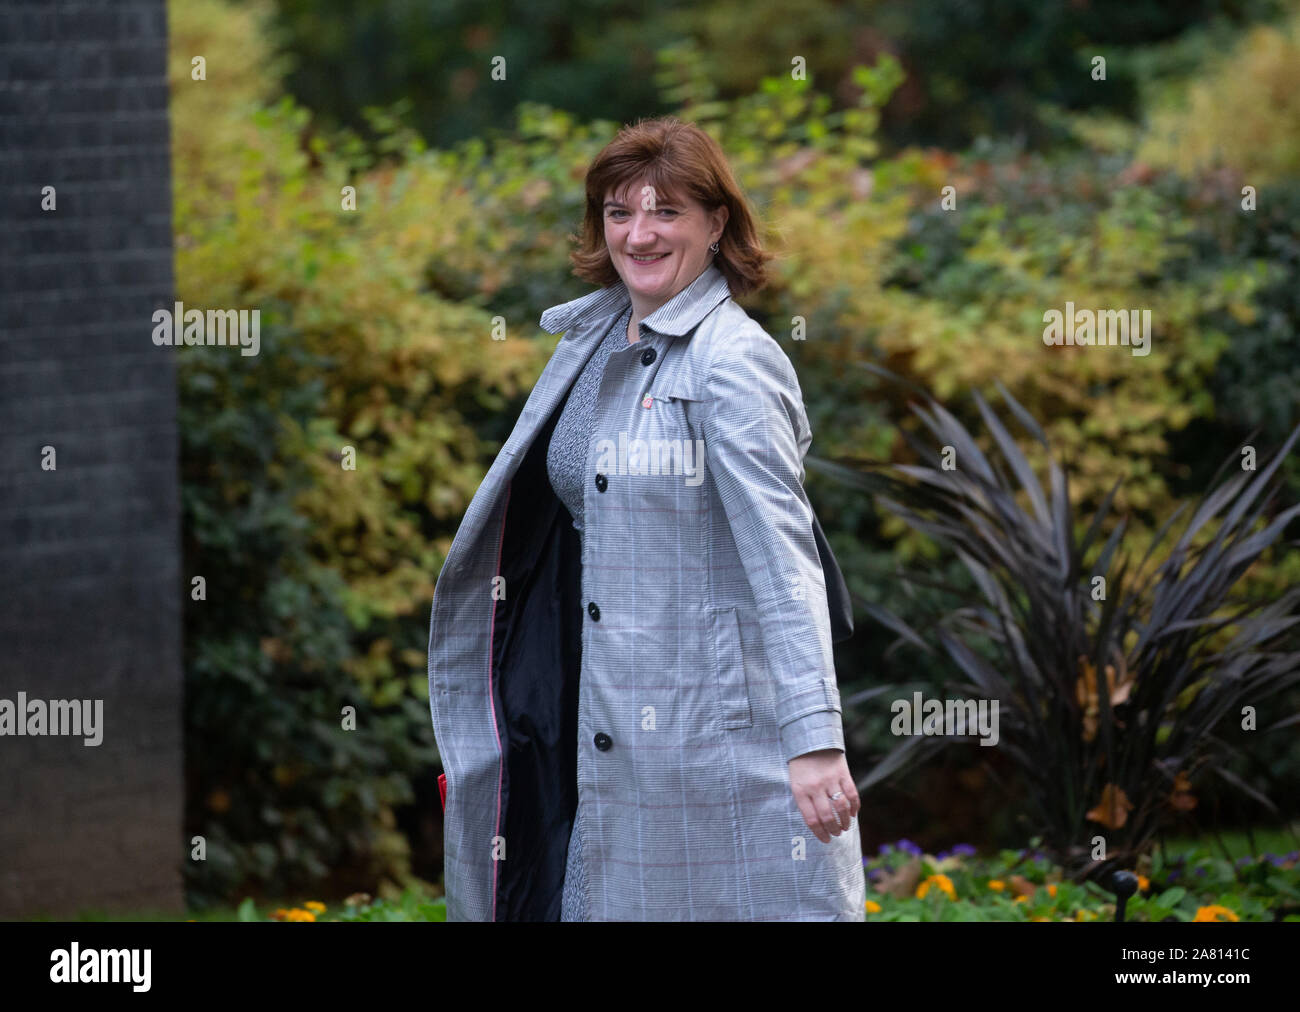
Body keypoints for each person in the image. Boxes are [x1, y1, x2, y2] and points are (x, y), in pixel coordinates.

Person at [427, 115, 866, 921]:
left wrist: (814, 739)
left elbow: (785, 562)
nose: (640, 233)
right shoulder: (593, 340)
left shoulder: (731, 362)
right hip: (599, 721)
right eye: (620, 212)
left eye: (666, 212)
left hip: (711, 742)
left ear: (716, 223)